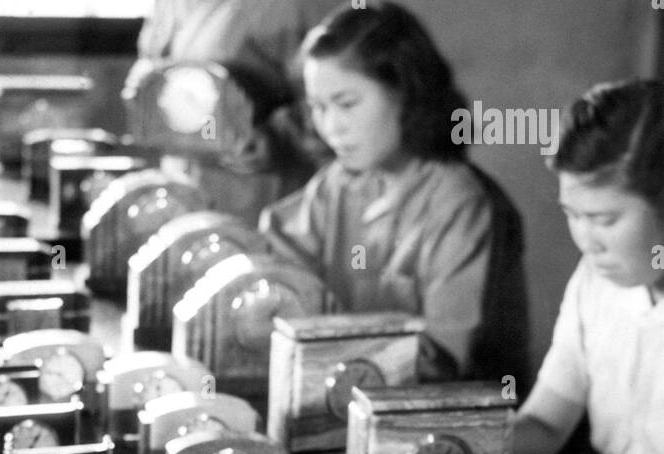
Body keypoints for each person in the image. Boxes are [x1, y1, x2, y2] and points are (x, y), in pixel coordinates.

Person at [260, 2, 530, 385]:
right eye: (318, 107)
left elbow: (441, 361)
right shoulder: (338, 185)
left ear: (405, 92)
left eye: (347, 104)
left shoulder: (458, 203)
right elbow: (281, 265)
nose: (331, 127)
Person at [513, 80, 664, 454]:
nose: (586, 240)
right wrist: (458, 444)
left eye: (605, 220)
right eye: (573, 215)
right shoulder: (594, 281)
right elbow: (545, 423)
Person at [129, 0, 338, 219]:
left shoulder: (294, 8)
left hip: (262, 192)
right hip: (183, 180)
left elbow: (343, 87)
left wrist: (278, 135)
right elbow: (152, 59)